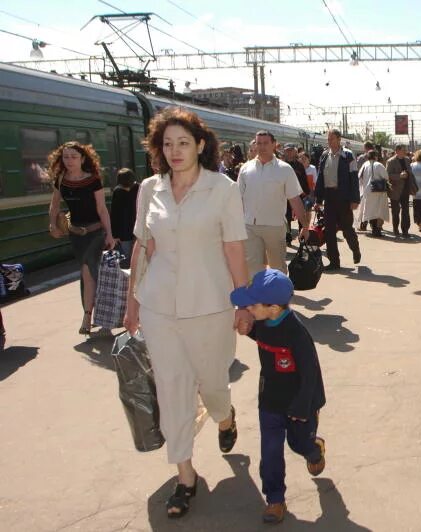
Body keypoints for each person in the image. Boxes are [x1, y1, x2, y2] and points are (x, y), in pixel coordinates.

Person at [122, 107, 251, 519]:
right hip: (160, 305)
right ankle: (185, 475)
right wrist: (132, 302)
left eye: (183, 142)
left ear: (200, 145)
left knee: (213, 380)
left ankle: (224, 415)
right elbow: (143, 247)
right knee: (171, 387)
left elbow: (234, 248)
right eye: (167, 143)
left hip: (210, 303)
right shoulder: (149, 189)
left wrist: (243, 301)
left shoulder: (223, 189)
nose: (175, 151)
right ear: (159, 149)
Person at [231, 268, 326, 524]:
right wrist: (245, 328)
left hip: (299, 403)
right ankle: (275, 499)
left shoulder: (297, 334)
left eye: (252, 304)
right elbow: (259, 333)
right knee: (270, 451)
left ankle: (314, 449)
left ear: (273, 307)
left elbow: (310, 375)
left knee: (298, 445)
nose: (248, 307)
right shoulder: (262, 322)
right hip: (271, 399)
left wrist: (303, 406)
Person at [47, 141, 116, 334]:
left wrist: (110, 234)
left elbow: (102, 209)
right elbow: (54, 205)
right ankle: (102, 312)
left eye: (74, 157)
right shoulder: (61, 179)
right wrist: (52, 223)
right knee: (91, 273)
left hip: (95, 233)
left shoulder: (93, 180)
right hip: (76, 234)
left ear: (83, 159)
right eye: (66, 157)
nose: (69, 161)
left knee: (87, 271)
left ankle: (87, 317)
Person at [239, 131, 309, 276]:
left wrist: (305, 226)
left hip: (275, 226)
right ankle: (258, 296)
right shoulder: (246, 169)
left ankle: (280, 295)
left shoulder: (284, 169)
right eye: (259, 143)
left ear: (274, 144)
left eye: (265, 143)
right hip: (249, 226)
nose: (262, 147)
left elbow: (295, 199)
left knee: (277, 267)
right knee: (253, 268)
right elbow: (237, 199)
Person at [314, 129, 361, 271]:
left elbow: (354, 178)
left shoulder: (348, 155)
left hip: (344, 197)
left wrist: (354, 199)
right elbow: (320, 179)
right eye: (328, 139)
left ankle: (355, 249)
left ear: (339, 139)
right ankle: (334, 262)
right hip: (329, 197)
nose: (329, 141)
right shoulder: (323, 156)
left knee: (346, 229)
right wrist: (318, 199)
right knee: (329, 231)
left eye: (332, 139)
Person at [385, 144, 418, 238]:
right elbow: (388, 175)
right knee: (395, 211)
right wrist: (399, 176)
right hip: (395, 190)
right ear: (397, 151)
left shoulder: (407, 160)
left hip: (405, 189)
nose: (405, 151)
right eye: (403, 150)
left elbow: (410, 172)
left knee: (406, 211)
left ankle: (405, 230)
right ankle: (395, 229)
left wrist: (408, 174)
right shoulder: (390, 161)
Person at [282, 144, 311, 245]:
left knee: (301, 216)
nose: (289, 153)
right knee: (286, 216)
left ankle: (302, 236)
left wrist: (307, 194)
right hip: (284, 196)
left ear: (295, 152)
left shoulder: (299, 165)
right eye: (287, 150)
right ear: (284, 152)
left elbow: (304, 180)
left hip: (298, 195)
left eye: (291, 150)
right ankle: (287, 236)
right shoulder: (280, 165)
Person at [357, 150, 391, 237]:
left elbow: (359, 177)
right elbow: (386, 177)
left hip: (367, 192)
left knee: (369, 210)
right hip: (378, 191)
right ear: (376, 156)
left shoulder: (365, 165)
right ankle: (377, 230)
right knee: (378, 211)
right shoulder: (379, 165)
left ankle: (370, 227)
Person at [110, 167, 140, 267]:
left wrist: (114, 235)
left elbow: (114, 215)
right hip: (138, 229)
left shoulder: (117, 191)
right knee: (138, 257)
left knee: (126, 258)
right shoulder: (138, 188)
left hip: (124, 232)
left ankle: (127, 279)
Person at [355, 141, 375, 231]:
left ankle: (364, 224)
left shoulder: (361, 158)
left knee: (364, 206)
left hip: (363, 185)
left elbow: (358, 171)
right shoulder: (376, 157)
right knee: (373, 205)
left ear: (365, 148)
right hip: (375, 186)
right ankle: (374, 225)